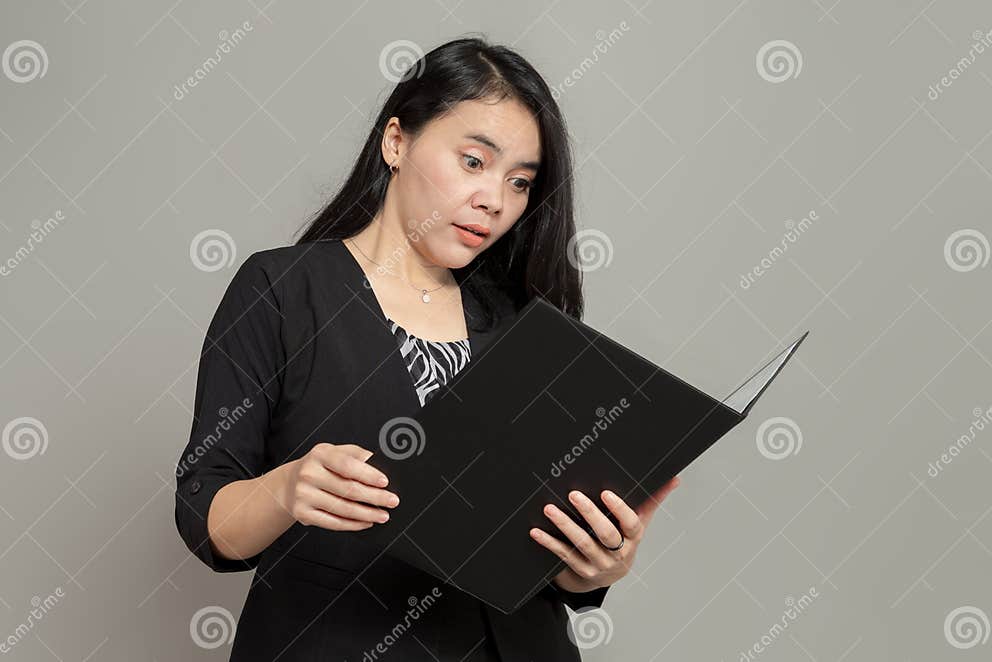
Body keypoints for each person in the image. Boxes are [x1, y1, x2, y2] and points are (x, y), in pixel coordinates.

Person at [173, 36, 680, 661]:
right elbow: (205, 515)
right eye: (474, 161)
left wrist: (591, 567)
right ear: (396, 141)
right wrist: (285, 489)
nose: (494, 200)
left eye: (520, 182)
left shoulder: (523, 323)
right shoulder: (282, 290)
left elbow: (540, 551)